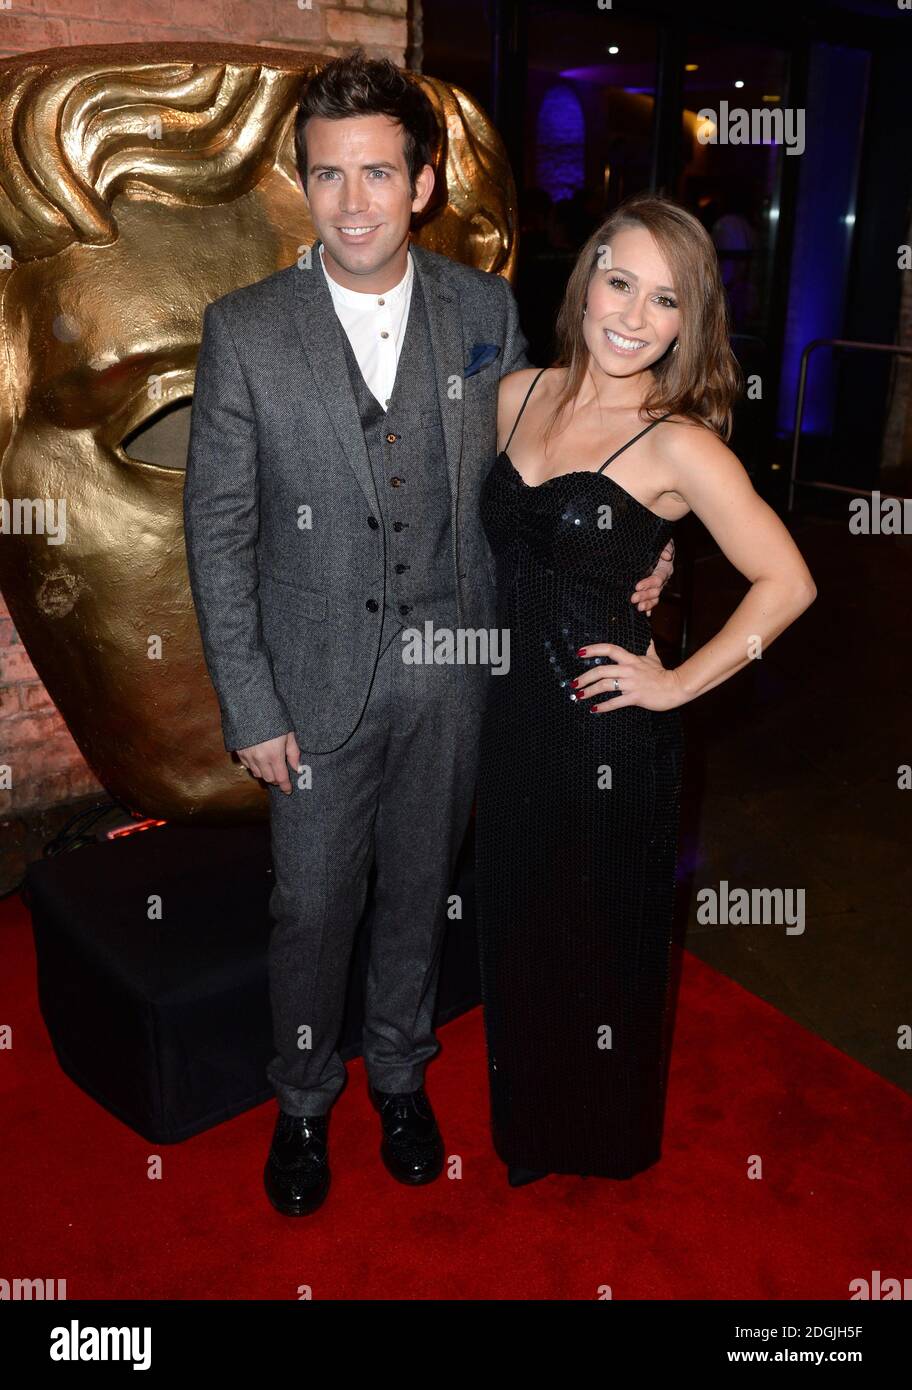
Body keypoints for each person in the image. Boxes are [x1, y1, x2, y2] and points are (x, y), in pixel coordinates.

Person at [183, 52, 672, 1217]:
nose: (353, 202)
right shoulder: (244, 331)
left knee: (419, 891)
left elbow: (568, 445)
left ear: (424, 180)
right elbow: (216, 532)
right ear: (305, 183)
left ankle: (400, 1076)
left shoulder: (482, 308)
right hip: (309, 687)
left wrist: (650, 542)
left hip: (459, 677)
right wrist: (249, 706)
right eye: (329, 175)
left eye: (379, 173)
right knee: (311, 905)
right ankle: (304, 1099)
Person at [475, 193, 816, 1186]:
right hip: (511, 721)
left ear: (689, 322)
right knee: (519, 924)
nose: (633, 315)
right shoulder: (517, 395)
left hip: (605, 731)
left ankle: (599, 1137)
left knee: (599, 936)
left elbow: (788, 581)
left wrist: (675, 686)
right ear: (585, 281)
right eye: (619, 281)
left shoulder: (680, 445)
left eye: (665, 300)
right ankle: (529, 1129)